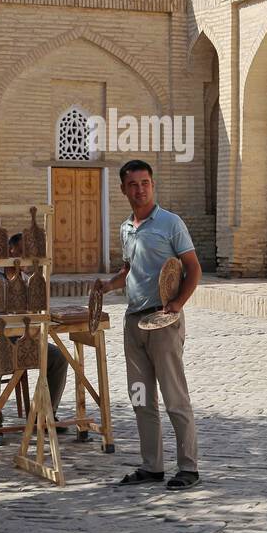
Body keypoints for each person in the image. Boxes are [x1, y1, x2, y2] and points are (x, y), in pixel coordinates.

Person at [98, 158, 202, 490]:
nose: (140, 189)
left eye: (145, 183)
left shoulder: (171, 223)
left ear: (152, 185)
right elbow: (129, 269)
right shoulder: (125, 228)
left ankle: (188, 468)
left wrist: (176, 305)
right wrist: (107, 285)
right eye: (133, 184)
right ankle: (151, 467)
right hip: (134, 322)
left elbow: (193, 268)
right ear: (123, 189)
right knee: (141, 398)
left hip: (164, 320)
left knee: (174, 397)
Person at [0, 232, 68, 439]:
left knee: (57, 358)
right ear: (10, 251)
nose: (26, 258)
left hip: (21, 340)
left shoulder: (28, 280)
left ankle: (45, 415)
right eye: (21, 253)